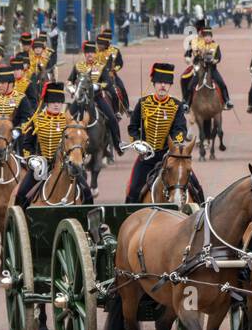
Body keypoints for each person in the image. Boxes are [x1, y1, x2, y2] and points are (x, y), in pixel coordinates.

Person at [125, 63, 200, 203]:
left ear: (170, 85)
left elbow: (180, 128)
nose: (163, 86)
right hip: (147, 157)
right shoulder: (143, 103)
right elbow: (133, 127)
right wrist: (137, 143)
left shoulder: (176, 105)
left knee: (196, 187)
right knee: (133, 190)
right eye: (160, 82)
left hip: (169, 155)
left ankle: (201, 215)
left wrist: (176, 144)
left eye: (166, 83)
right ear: (154, 84)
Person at [15, 82, 92, 205]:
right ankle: (21, 220)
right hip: (41, 165)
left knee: (87, 193)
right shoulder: (37, 120)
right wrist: (31, 160)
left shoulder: (68, 122)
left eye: (59, 102)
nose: (57, 105)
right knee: (21, 193)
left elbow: (78, 141)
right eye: (53, 102)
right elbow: (27, 145)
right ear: (47, 102)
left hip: (65, 165)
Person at [67, 41, 123, 151]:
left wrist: (97, 86)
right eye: (87, 52)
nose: (89, 55)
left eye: (92, 52)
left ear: (96, 54)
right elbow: (69, 81)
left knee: (112, 118)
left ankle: (118, 144)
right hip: (80, 99)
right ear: (84, 54)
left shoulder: (101, 67)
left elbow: (107, 83)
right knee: (66, 117)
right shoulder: (78, 66)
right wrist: (72, 89)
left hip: (97, 98)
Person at [182, 26, 232, 109]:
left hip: (212, 69)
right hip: (200, 70)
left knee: (222, 83)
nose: (207, 38)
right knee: (190, 85)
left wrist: (213, 60)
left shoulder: (215, 45)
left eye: (209, 36)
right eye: (205, 36)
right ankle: (187, 103)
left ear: (211, 37)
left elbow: (218, 57)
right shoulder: (198, 45)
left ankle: (227, 100)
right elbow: (192, 54)